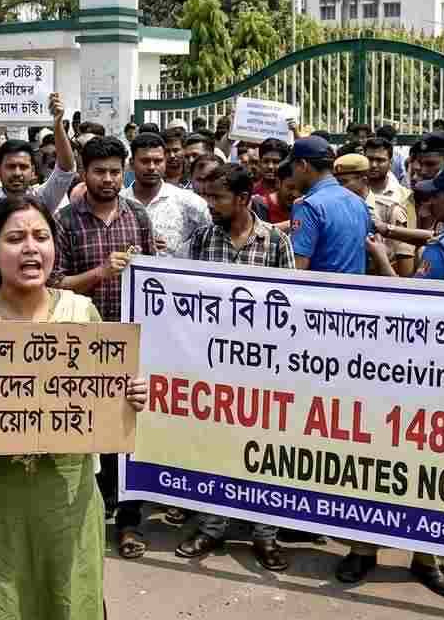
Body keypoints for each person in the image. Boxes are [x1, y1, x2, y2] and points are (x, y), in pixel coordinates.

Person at [0, 196, 149, 620]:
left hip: (67, 500)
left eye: (41, 237)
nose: (30, 247)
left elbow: (106, 400)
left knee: (68, 600)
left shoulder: (82, 313)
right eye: (15, 238)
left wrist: (130, 400)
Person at [173, 164, 293, 570]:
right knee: (213, 449)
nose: (209, 205)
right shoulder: (203, 239)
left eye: (217, 198)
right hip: (213, 367)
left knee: (265, 453)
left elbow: (290, 305)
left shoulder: (275, 241)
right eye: (206, 197)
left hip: (262, 370)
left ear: (243, 199)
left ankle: (266, 535)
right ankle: (211, 526)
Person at [51, 136, 155, 559]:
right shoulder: (64, 221)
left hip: (131, 341)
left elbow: (154, 276)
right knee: (88, 433)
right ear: (84, 173)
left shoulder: (139, 216)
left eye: (115, 171)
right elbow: (54, 282)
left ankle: (129, 524)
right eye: (100, 171)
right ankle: (90, 517)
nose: (108, 179)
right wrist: (99, 272)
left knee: (129, 434)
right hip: (83, 345)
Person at [0, 94, 75, 220]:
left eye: (23, 167)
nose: (17, 173)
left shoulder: (43, 198)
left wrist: (57, 125)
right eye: (11, 166)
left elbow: (65, 169)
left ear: (33, 171)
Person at [289, 137, 372, 274]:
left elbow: (297, 270)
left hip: (318, 293)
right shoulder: (359, 203)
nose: (292, 176)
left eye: (293, 169)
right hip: (356, 293)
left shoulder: (308, 207)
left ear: (303, 165)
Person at [122, 133, 210, 256]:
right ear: (132, 163)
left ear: (165, 162)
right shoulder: (119, 202)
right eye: (145, 161)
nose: (152, 167)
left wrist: (181, 250)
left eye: (158, 161)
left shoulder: (187, 201)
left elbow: (215, 233)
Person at [334, 154, 414, 277]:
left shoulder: (390, 210)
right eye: (336, 183)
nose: (339, 188)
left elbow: (405, 262)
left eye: (344, 182)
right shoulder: (336, 209)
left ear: (364, 180)